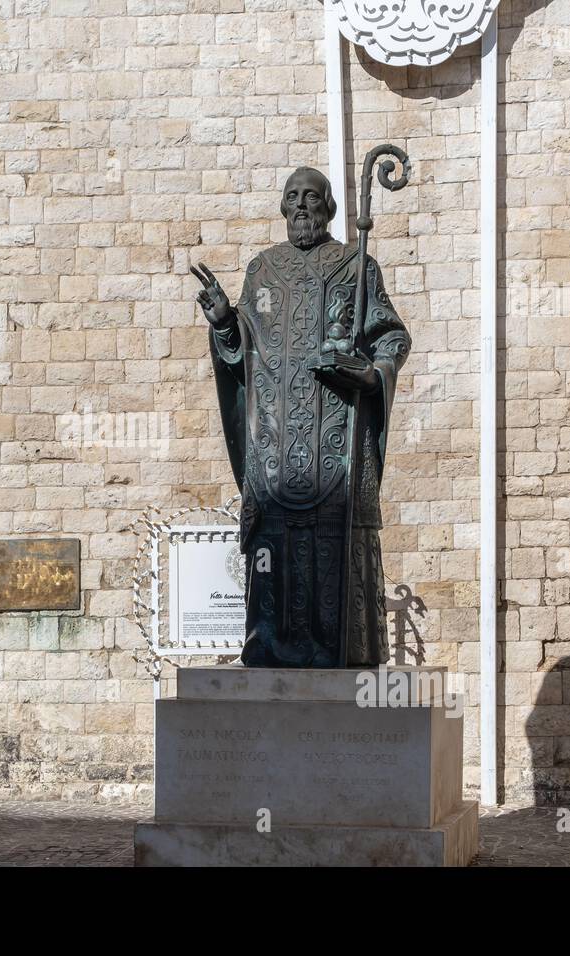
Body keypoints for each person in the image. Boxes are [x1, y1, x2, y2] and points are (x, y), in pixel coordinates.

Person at [193, 166, 411, 668]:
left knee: (333, 546)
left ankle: (342, 650)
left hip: (336, 440)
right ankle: (269, 645)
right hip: (274, 444)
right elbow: (241, 350)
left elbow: (392, 338)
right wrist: (226, 321)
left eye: (312, 196)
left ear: (329, 207)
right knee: (274, 548)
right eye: (293, 196)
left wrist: (371, 374)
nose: (302, 206)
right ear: (283, 207)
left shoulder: (356, 268)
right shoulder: (262, 272)